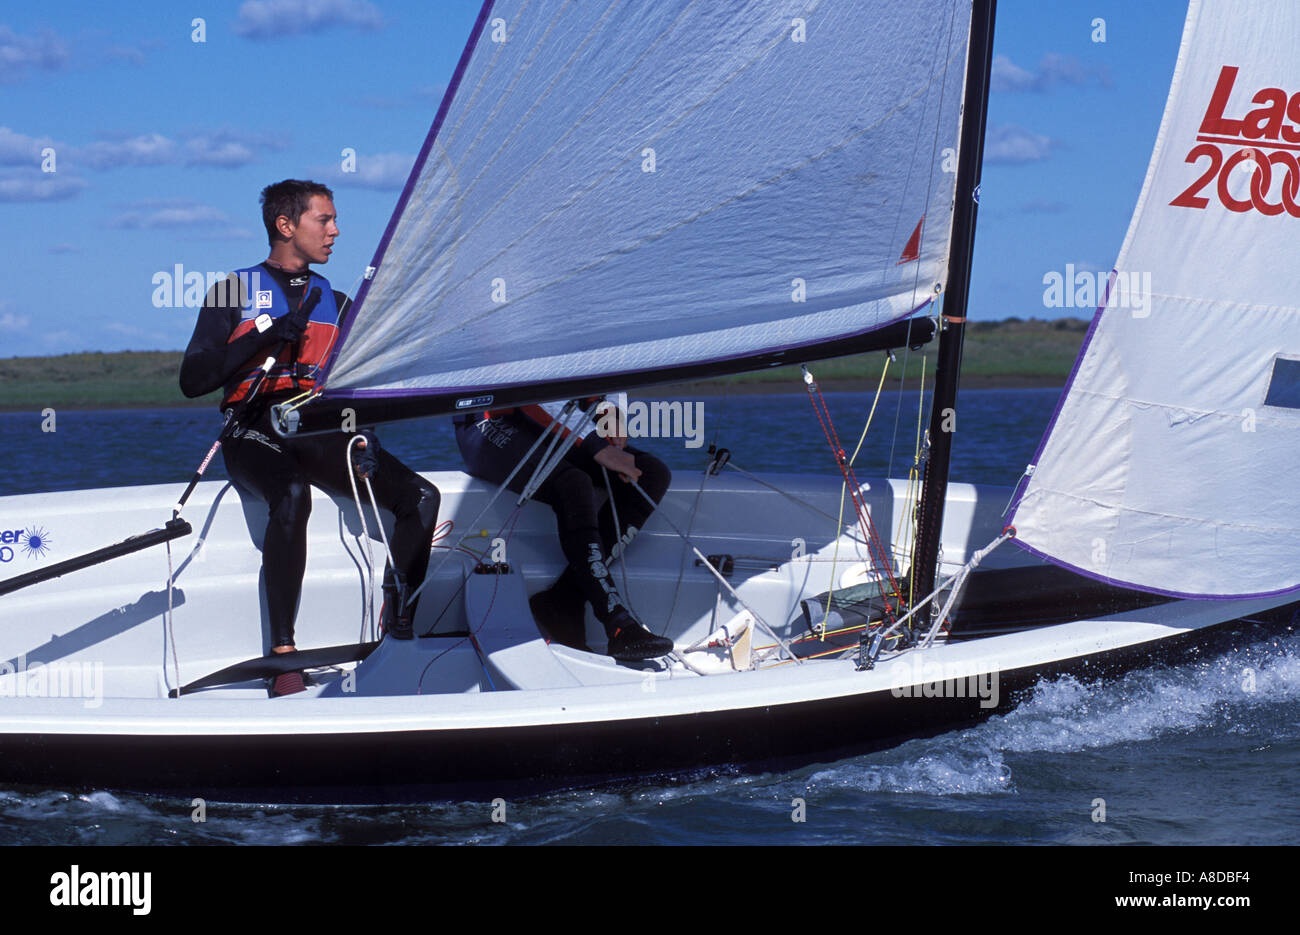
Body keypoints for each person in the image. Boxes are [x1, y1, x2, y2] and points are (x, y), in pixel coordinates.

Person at [180, 179, 440, 695]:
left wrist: (366, 436)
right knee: (291, 494)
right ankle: (283, 655)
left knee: (420, 497)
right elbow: (193, 380)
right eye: (324, 220)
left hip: (319, 427)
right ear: (286, 225)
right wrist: (265, 335)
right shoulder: (232, 291)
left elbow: (358, 389)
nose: (336, 231)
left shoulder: (337, 302)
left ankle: (400, 619)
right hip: (252, 430)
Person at [454, 399, 674, 661]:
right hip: (492, 420)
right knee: (572, 483)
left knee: (650, 473)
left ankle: (564, 599)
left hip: (558, 417)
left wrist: (609, 412)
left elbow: (595, 376)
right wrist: (596, 446)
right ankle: (617, 622)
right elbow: (530, 391)